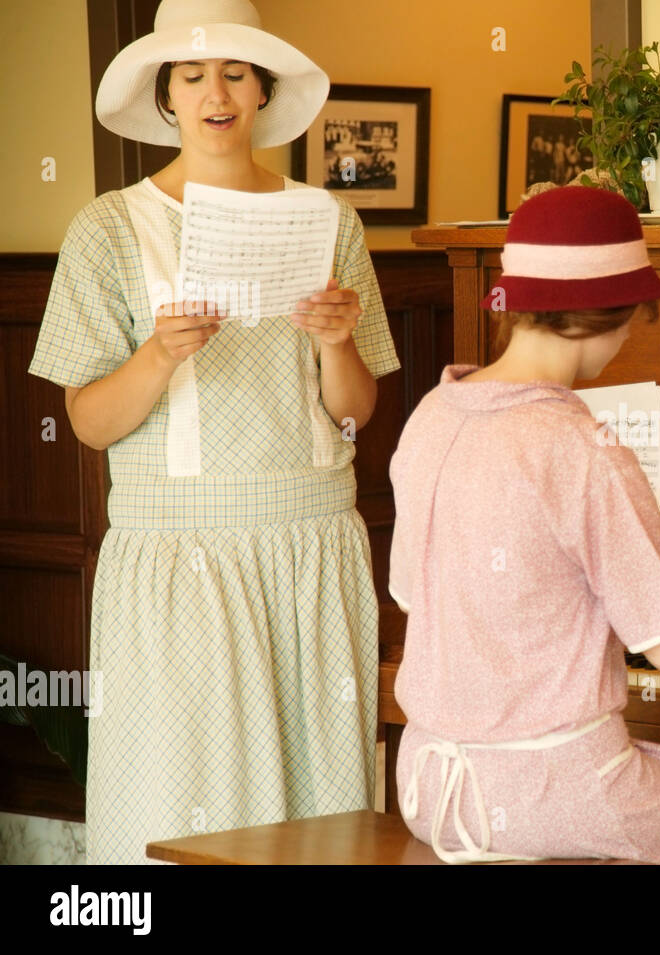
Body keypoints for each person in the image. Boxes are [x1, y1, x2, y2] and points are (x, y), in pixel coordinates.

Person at [26, 0, 400, 863]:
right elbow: (87, 420)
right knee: (180, 792)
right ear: (166, 95)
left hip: (310, 545)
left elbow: (356, 411)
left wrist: (338, 343)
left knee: (320, 808)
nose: (215, 92)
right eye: (192, 76)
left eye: (235, 71)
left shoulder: (329, 221)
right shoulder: (107, 228)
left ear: (263, 89)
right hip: (177, 554)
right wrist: (158, 355)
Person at [387, 185, 660, 864]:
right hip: (552, 792)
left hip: (429, 788)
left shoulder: (431, 415)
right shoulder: (583, 450)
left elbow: (414, 598)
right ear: (613, 314)